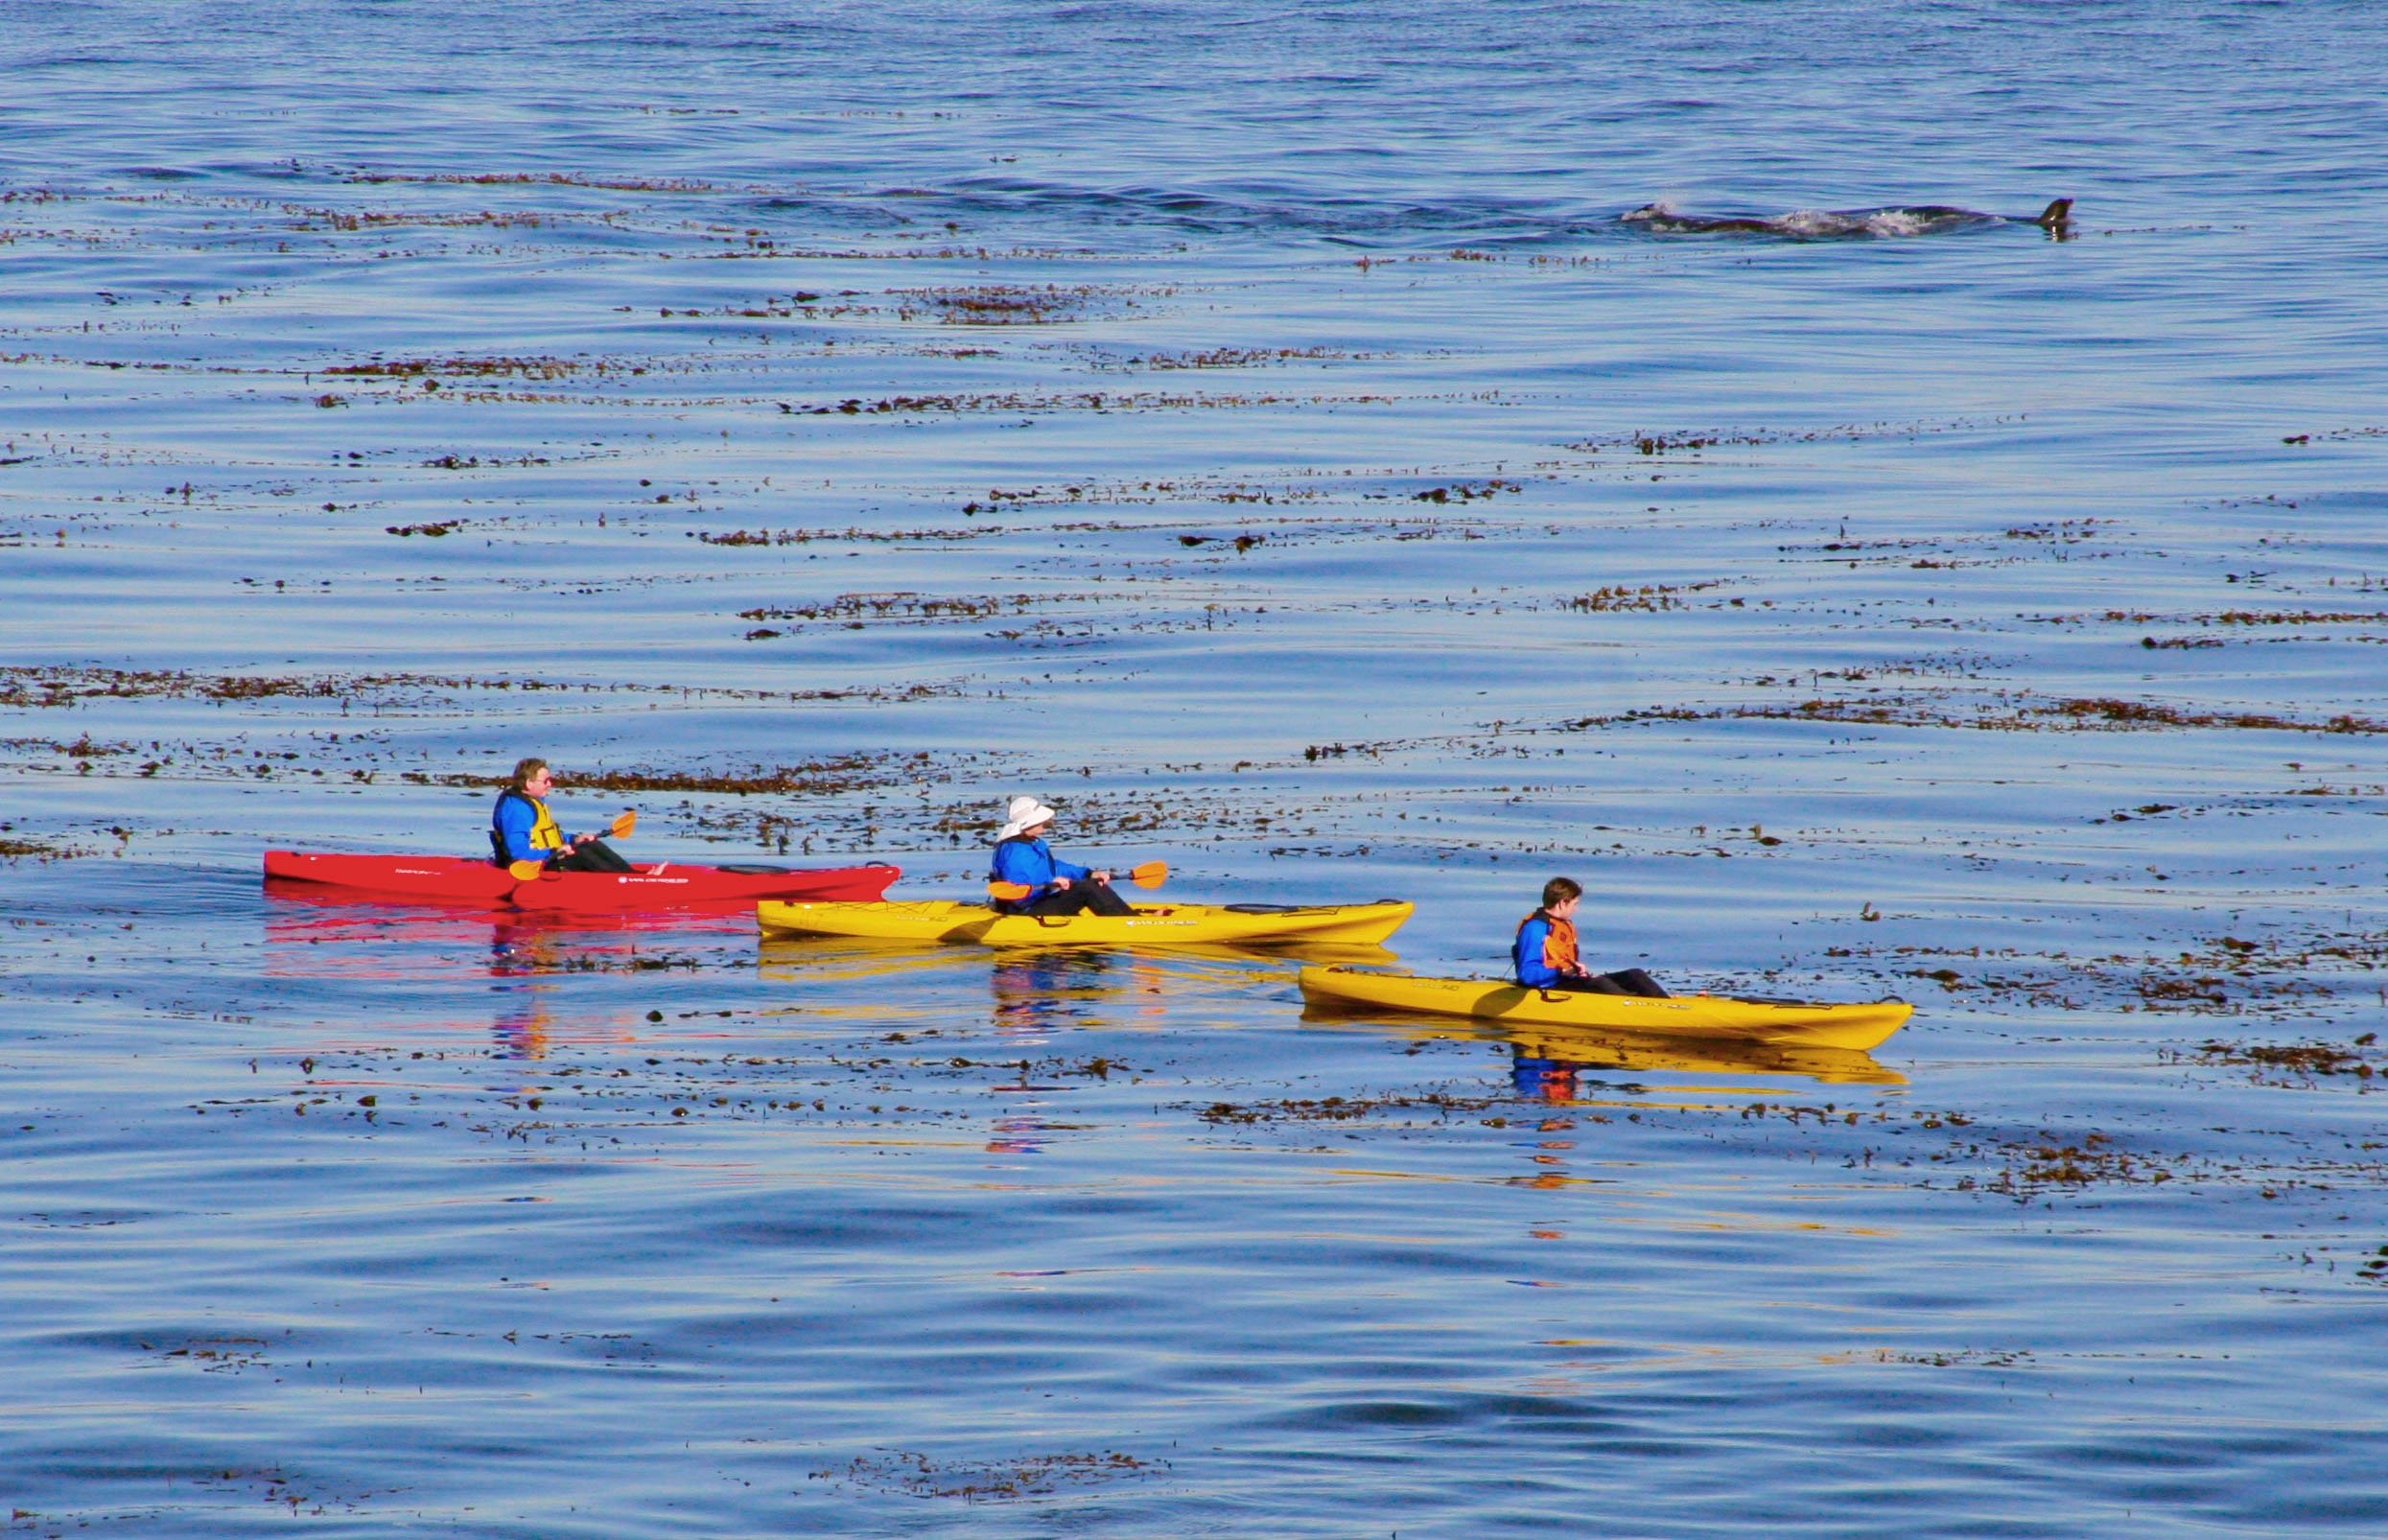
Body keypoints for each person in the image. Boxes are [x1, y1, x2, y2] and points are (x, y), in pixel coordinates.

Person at [1513, 876, 1668, 996]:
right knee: (1599, 983)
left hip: (1567, 980)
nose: (1576, 909)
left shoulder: (1562, 925)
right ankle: (1642, 1010)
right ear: (1562, 903)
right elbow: (1527, 974)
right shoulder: (1535, 929)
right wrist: (1561, 972)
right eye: (1575, 904)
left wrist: (1571, 971)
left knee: (1635, 975)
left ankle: (1668, 1005)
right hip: (1549, 985)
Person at [988, 796, 1134, 916]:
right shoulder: (1016, 851)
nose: (1045, 823)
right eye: (1040, 821)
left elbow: (1055, 868)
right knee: (1087, 889)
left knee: (1092, 883)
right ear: (1027, 824)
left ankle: (1128, 918)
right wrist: (1052, 881)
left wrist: (1089, 873)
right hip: (1026, 908)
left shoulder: (1031, 844)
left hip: (1040, 900)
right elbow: (1020, 885)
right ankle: (1131, 923)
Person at [490, 758, 632, 874]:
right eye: (545, 781)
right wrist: (553, 851)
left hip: (548, 857)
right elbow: (518, 852)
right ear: (529, 783)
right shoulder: (517, 809)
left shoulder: (534, 802)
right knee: (582, 855)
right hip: (529, 866)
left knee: (589, 844)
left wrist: (574, 839)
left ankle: (633, 875)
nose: (550, 784)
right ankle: (631, 880)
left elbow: (547, 835)